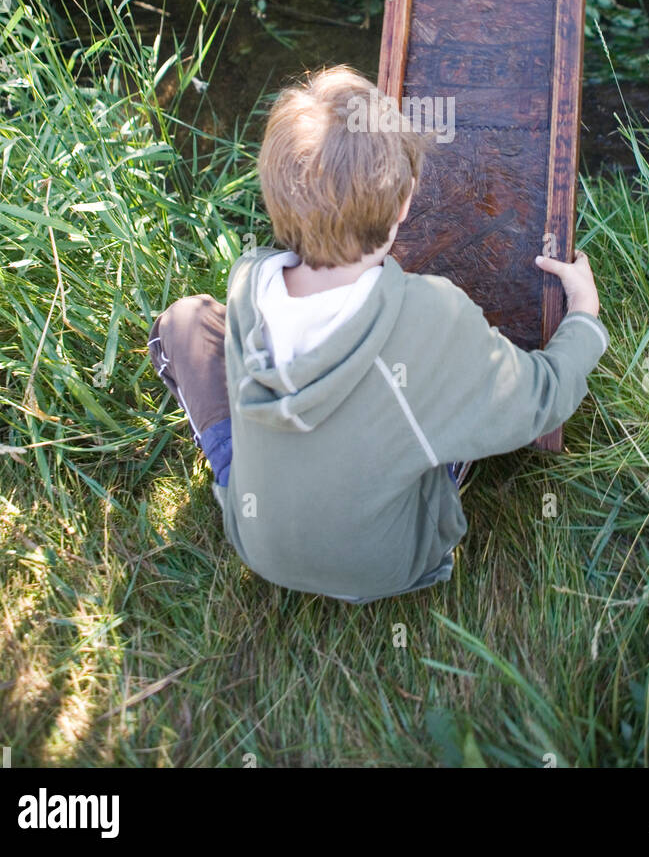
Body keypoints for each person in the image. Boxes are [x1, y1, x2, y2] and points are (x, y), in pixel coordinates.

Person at [148, 66, 608, 603]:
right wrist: (584, 317)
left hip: (256, 540)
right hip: (388, 566)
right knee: (451, 392)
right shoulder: (433, 314)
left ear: (277, 199)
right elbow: (541, 400)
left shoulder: (250, 279)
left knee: (184, 322)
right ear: (406, 201)